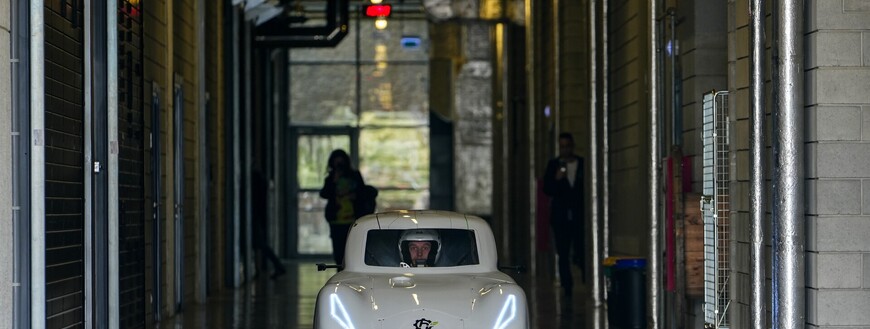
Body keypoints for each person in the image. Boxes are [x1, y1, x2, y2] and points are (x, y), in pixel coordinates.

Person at [542, 132, 586, 296]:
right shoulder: (554, 165)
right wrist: (557, 178)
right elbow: (547, 188)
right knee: (563, 252)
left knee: (581, 249)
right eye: (562, 147)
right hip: (560, 216)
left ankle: (586, 279)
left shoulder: (582, 164)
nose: (565, 150)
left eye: (567, 146)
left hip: (579, 215)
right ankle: (567, 286)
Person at [319, 149, 367, 266]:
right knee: (338, 250)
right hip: (336, 219)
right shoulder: (330, 178)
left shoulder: (355, 176)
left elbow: (363, 192)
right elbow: (324, 194)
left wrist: (354, 196)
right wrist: (334, 180)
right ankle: (340, 270)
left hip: (353, 219)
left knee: (353, 249)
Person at [252, 170, 286, 279]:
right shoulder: (262, 183)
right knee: (259, 245)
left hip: (255, 217)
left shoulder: (256, 181)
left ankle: (277, 266)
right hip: (258, 217)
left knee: (260, 244)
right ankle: (261, 269)